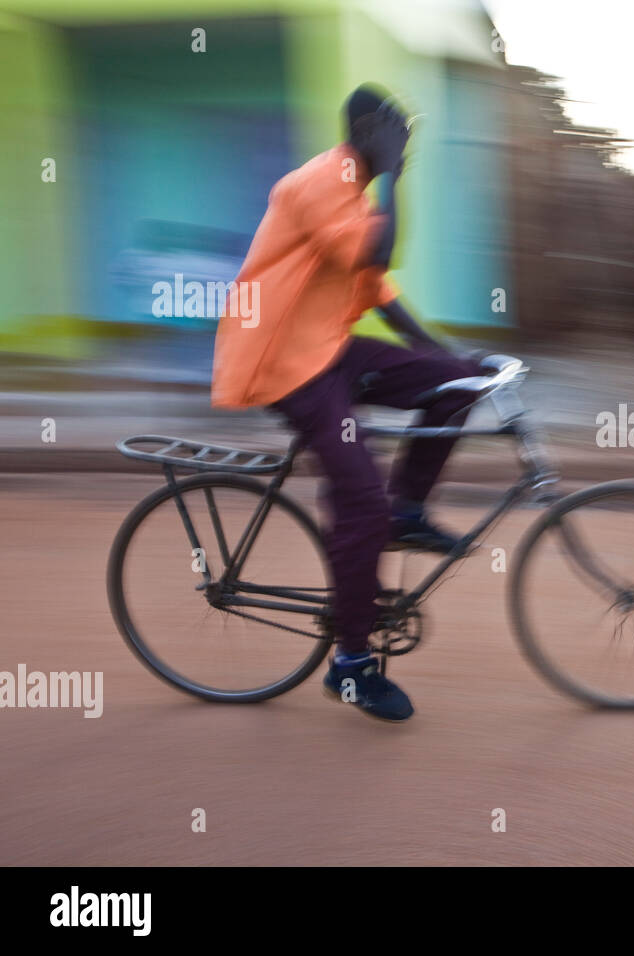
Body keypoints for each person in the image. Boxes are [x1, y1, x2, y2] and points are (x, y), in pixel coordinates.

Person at [211, 84, 480, 722]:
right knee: (360, 500)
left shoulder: (351, 189)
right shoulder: (316, 184)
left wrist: (446, 355)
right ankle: (351, 664)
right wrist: (390, 175)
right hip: (286, 366)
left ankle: (408, 511)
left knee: (458, 384)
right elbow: (378, 250)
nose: (406, 145)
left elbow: (376, 285)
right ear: (367, 132)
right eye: (397, 133)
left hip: (329, 350)